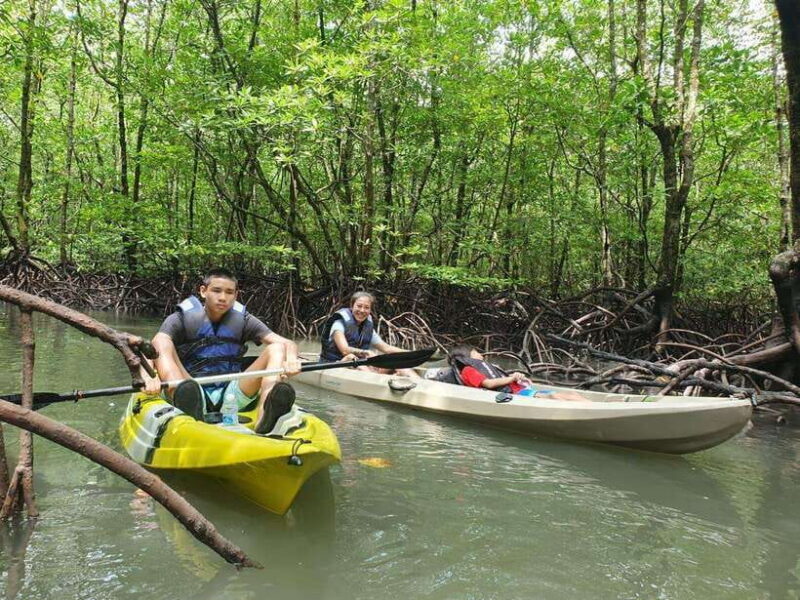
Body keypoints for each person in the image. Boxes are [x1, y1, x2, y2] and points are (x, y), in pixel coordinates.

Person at [140, 268, 300, 434]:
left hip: (233, 394)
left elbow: (287, 343)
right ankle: (189, 410)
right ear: (203, 291)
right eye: (216, 291)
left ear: (236, 295)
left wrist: (291, 359)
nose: (223, 297)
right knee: (161, 341)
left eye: (229, 292)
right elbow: (153, 347)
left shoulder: (244, 319)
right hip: (190, 388)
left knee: (277, 348)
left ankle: (264, 417)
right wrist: (148, 376)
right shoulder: (180, 318)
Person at [319, 291, 418, 377]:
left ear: (370, 310)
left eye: (366, 307)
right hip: (335, 365)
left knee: (395, 358)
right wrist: (366, 353)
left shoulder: (367, 328)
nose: (362, 310)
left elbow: (386, 348)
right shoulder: (339, 324)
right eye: (359, 306)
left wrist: (412, 354)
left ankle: (420, 383)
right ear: (352, 306)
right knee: (351, 357)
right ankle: (378, 380)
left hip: (361, 366)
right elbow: (345, 350)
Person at [448, 345, 584, 400]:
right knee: (554, 396)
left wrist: (518, 379)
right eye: (476, 352)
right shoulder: (468, 370)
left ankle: (591, 407)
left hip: (520, 391)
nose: (481, 355)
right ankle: (590, 411)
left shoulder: (479, 367)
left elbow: (501, 380)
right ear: (467, 357)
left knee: (573, 394)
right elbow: (488, 384)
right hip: (514, 395)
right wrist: (512, 378)